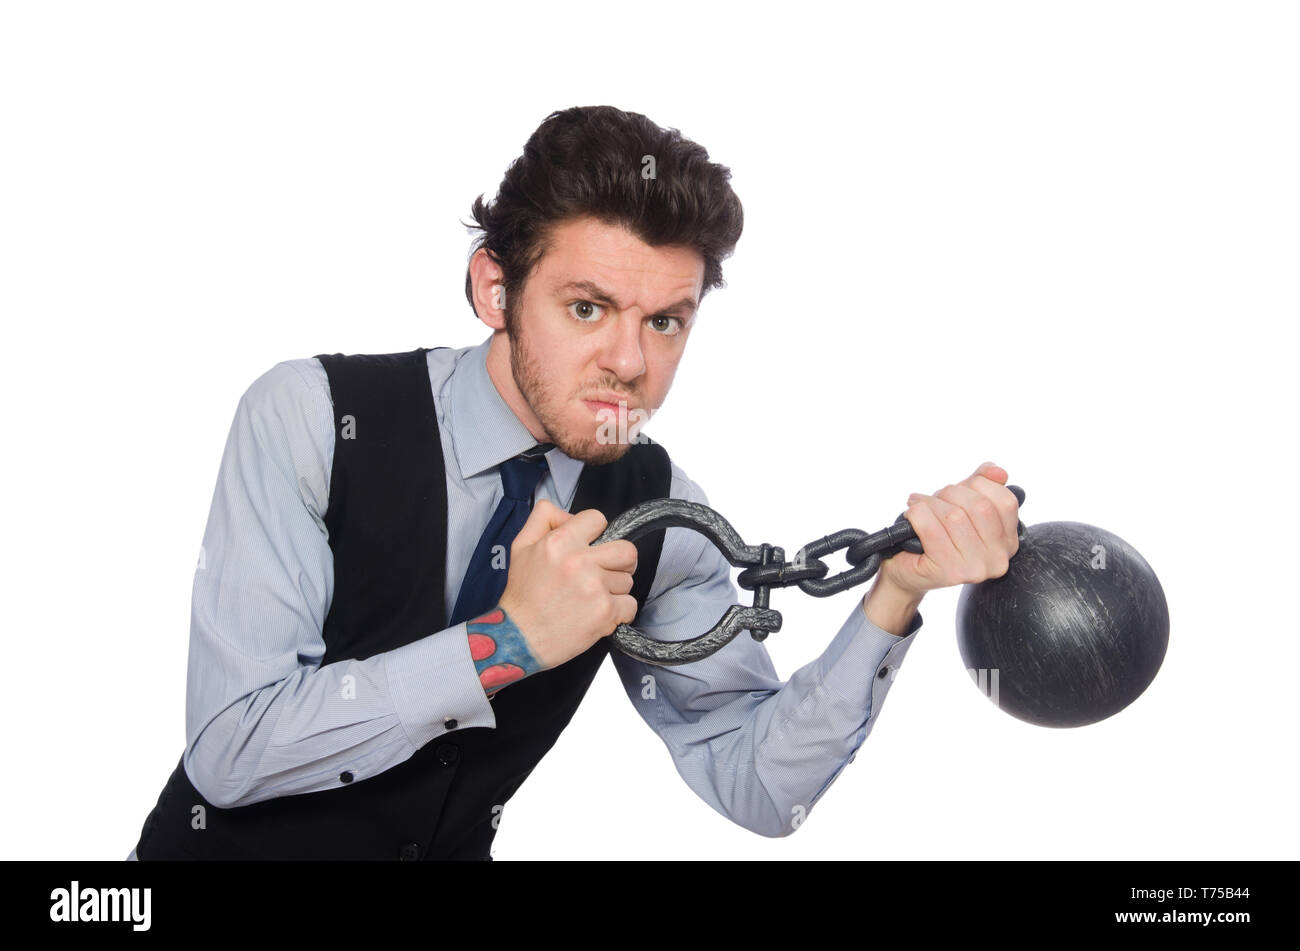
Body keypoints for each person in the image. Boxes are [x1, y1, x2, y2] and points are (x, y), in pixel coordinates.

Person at [129, 105, 1020, 860]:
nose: (629, 363)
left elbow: (755, 782)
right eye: (586, 308)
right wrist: (505, 640)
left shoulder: (666, 516)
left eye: (666, 321)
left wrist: (893, 595)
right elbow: (230, 750)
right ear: (494, 289)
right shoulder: (312, 417)